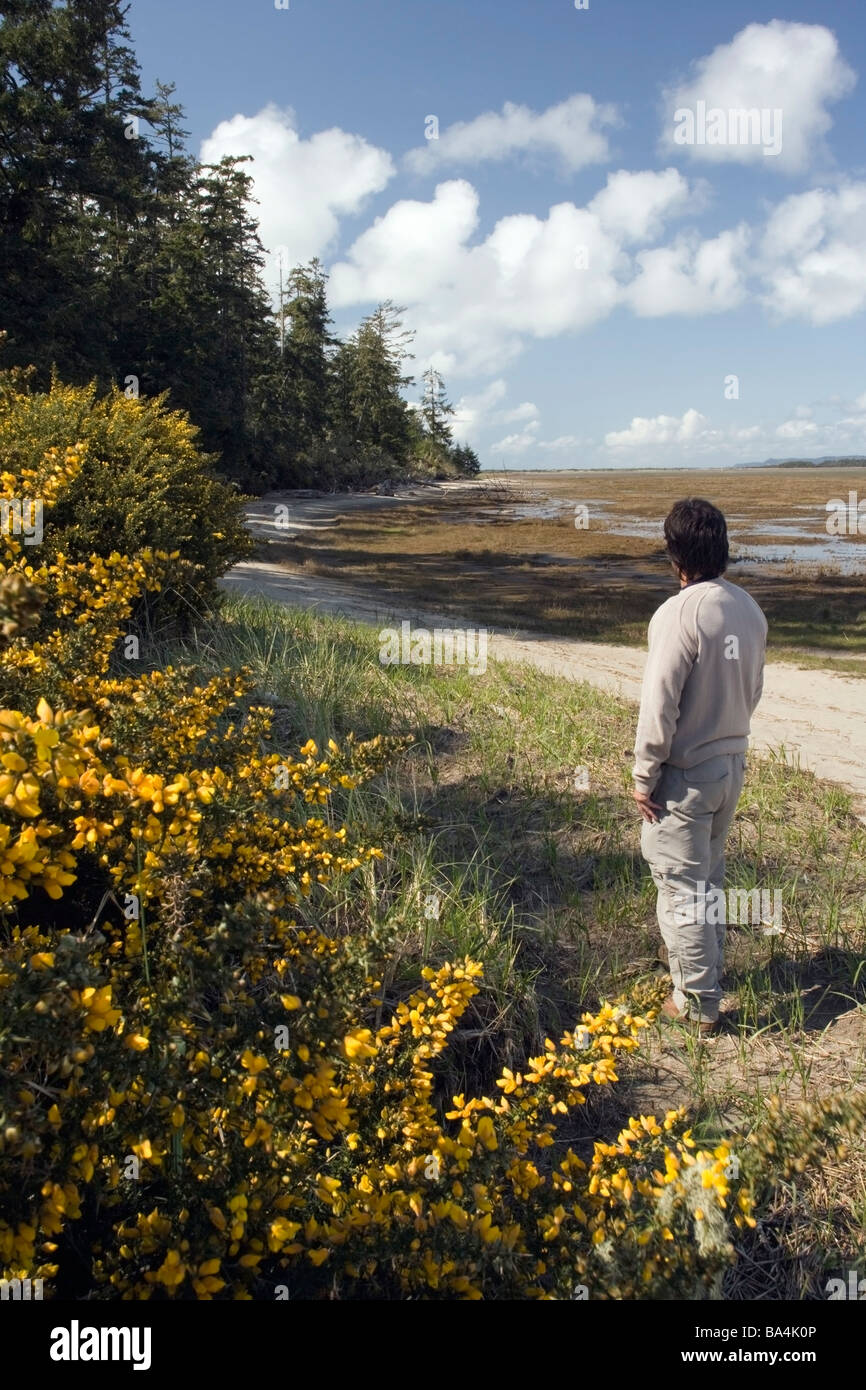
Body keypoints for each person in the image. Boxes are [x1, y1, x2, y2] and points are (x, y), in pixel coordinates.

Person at [632, 498, 767, 1036]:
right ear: (722, 547)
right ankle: (706, 976)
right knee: (707, 880)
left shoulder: (678, 612)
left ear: (674, 554)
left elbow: (659, 704)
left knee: (681, 890)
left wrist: (644, 775)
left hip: (686, 774)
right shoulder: (748, 608)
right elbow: (753, 689)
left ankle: (697, 1005)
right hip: (730, 764)